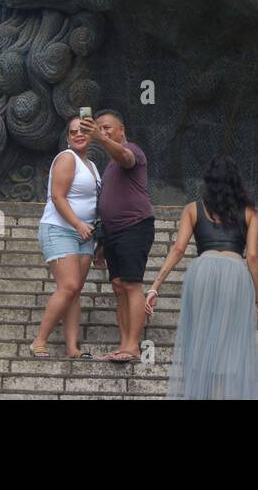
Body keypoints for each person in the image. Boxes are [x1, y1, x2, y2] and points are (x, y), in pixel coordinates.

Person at [145, 155, 258, 400]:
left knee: (200, 342)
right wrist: (256, 300)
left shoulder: (192, 209)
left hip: (202, 272)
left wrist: (155, 286)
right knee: (227, 348)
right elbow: (252, 257)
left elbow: (178, 249)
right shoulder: (250, 213)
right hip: (235, 274)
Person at [81, 109, 154, 363]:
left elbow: (125, 157)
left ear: (121, 130)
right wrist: (102, 240)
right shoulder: (109, 164)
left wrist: (100, 138)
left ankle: (133, 346)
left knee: (132, 285)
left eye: (107, 127)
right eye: (98, 127)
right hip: (113, 233)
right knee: (118, 286)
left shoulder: (132, 149)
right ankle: (124, 343)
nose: (102, 130)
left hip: (135, 226)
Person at [31, 116, 102, 358]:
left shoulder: (92, 165)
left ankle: (72, 347)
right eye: (73, 133)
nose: (79, 135)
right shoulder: (66, 158)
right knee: (69, 285)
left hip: (86, 233)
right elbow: (58, 196)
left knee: (74, 291)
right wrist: (78, 224)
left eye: (83, 131)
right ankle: (39, 340)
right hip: (60, 228)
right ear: (68, 138)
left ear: (91, 134)